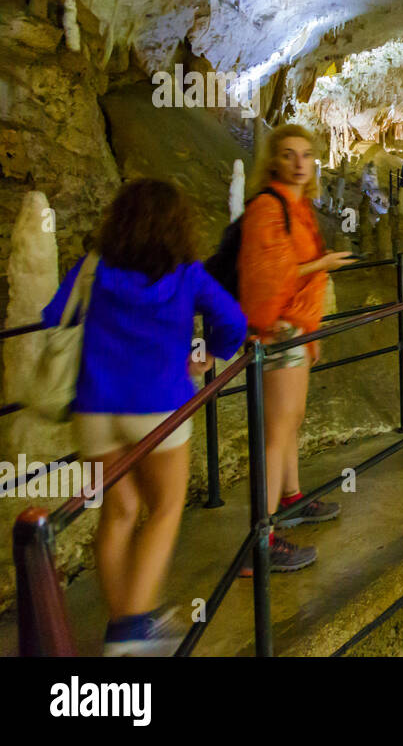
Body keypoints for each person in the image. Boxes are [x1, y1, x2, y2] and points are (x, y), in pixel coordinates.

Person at [42, 178, 247, 655]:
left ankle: (123, 624)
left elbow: (55, 317)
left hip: (94, 408)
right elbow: (233, 321)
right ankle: (133, 627)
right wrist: (209, 355)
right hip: (159, 408)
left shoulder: (93, 268)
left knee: (118, 512)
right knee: (165, 509)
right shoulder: (186, 275)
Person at [238, 124, 355, 574]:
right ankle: (260, 544)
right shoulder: (268, 209)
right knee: (276, 430)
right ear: (273, 161)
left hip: (298, 327)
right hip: (279, 329)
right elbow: (271, 277)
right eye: (289, 155)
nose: (299, 163)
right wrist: (321, 264)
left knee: (291, 421)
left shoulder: (297, 206)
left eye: (306, 154)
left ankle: (291, 499)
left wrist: (314, 331)